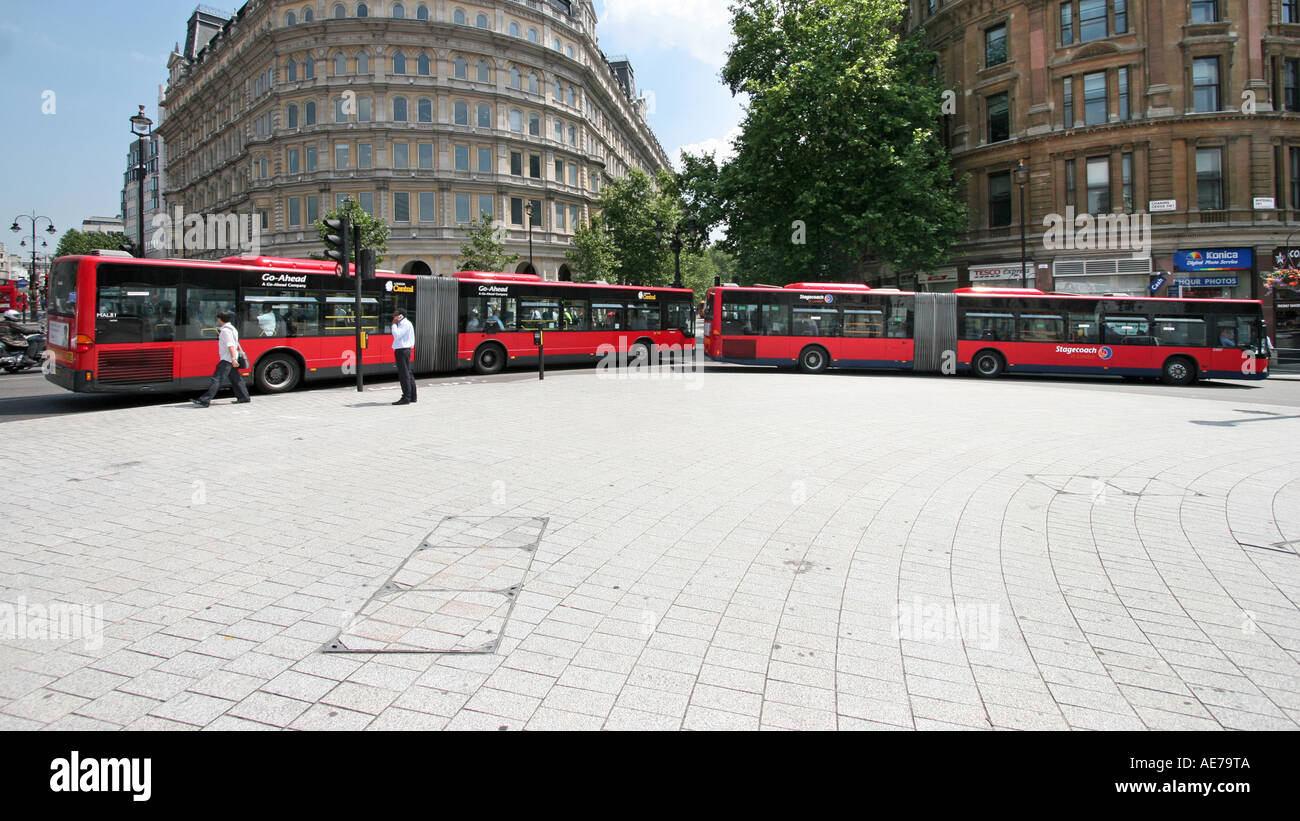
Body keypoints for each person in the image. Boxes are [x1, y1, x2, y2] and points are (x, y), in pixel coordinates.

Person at [192, 310, 251, 407]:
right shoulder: (232, 328)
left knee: (217, 379)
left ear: (219, 319)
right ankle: (244, 397)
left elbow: (230, 345)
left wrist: (233, 359)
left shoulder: (225, 331)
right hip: (232, 358)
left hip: (227, 359)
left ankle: (205, 400)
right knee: (236, 379)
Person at [391, 309, 416, 405]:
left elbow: (397, 335)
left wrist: (393, 324)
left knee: (404, 374)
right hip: (404, 350)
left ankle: (406, 397)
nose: (394, 316)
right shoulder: (405, 324)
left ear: (401, 316)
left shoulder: (405, 324)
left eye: (396, 314)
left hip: (402, 351)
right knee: (408, 373)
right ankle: (412, 396)